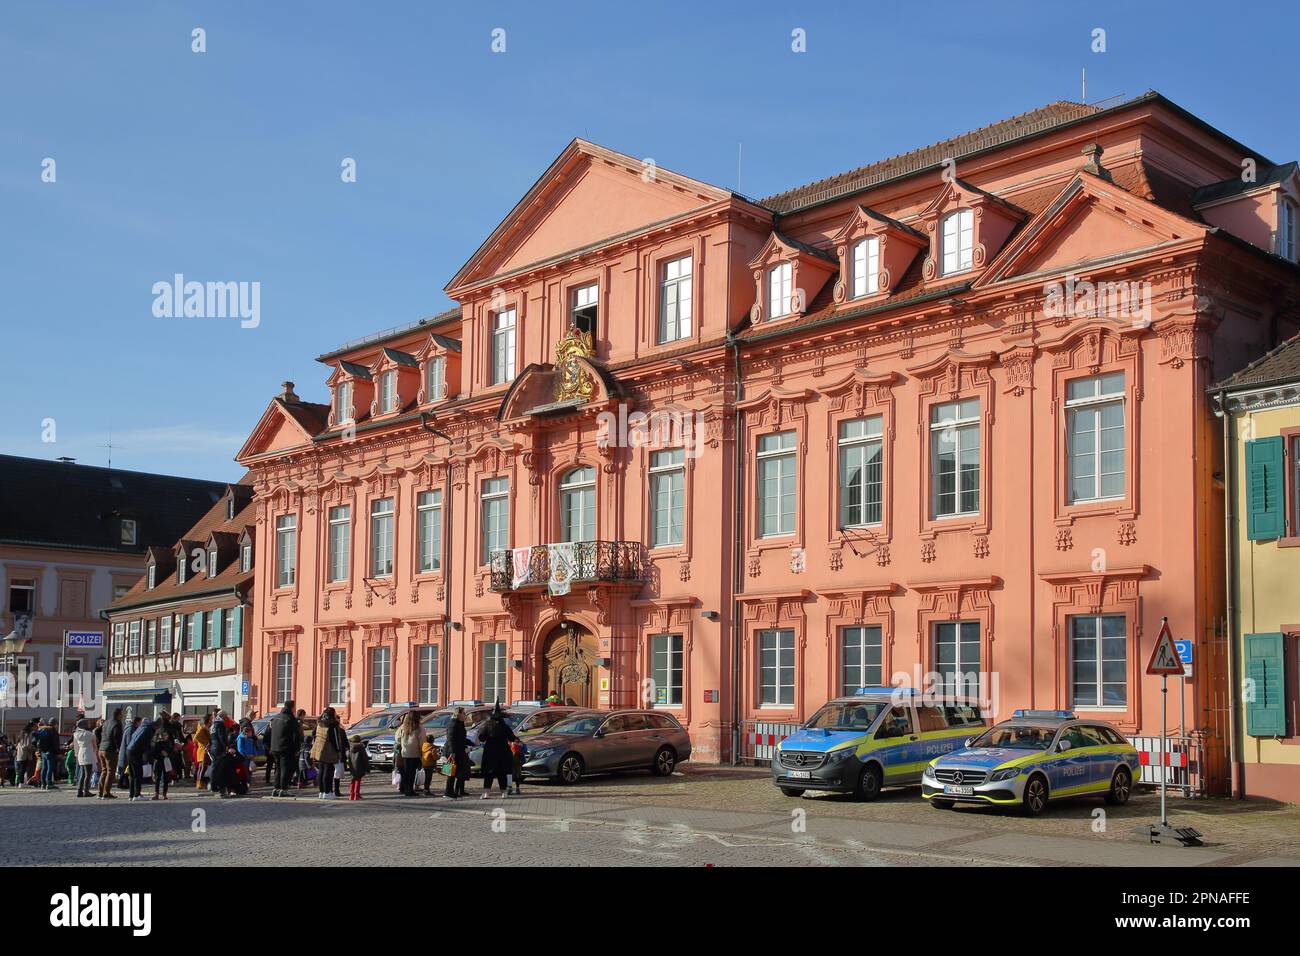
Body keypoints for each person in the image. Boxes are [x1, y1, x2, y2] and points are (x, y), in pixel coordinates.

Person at [476, 704, 518, 799]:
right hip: (503, 752)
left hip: (490, 752)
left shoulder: (487, 725)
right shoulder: (504, 725)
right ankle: (504, 793)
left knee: (489, 773)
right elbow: (512, 737)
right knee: (502, 773)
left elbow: (481, 738)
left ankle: (486, 793)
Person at [269, 699, 304, 797]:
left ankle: (276, 788)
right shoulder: (290, 719)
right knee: (285, 768)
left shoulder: (276, 717)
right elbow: (295, 736)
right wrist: (297, 749)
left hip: (275, 747)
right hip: (285, 748)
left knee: (278, 768)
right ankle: (283, 789)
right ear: (292, 707)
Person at [310, 707, 346, 800]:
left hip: (319, 749)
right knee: (328, 772)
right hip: (329, 751)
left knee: (321, 771)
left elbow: (313, 733)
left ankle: (321, 792)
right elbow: (335, 740)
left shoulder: (320, 723)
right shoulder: (332, 725)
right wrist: (338, 750)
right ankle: (328, 792)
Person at [124, 715, 157, 801]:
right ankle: (137, 795)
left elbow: (134, 737)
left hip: (129, 750)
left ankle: (131, 795)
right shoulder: (149, 730)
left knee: (132, 774)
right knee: (138, 774)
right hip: (135, 752)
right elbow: (147, 744)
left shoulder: (141, 728)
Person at [393, 710, 423, 797]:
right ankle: (410, 790)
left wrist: (403, 743)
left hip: (405, 753)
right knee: (412, 773)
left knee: (406, 772)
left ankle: (405, 789)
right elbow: (422, 741)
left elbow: (397, 738)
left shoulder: (403, 727)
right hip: (415, 753)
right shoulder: (419, 728)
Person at [443, 707, 470, 799]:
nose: (465, 715)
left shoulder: (460, 723)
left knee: (456, 771)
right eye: (464, 713)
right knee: (451, 771)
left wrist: (470, 742)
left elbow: (461, 737)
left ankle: (452, 791)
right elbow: (451, 738)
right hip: (452, 751)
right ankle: (448, 791)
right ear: (459, 714)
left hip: (458, 750)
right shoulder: (453, 723)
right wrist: (452, 752)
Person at [97, 708, 122, 799]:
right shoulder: (117, 723)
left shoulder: (106, 722)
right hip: (110, 750)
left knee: (104, 770)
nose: (122, 716)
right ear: (119, 714)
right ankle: (106, 792)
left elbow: (96, 731)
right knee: (111, 771)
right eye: (121, 714)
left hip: (101, 748)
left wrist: (101, 741)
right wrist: (118, 748)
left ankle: (100, 792)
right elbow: (117, 737)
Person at [33, 717, 60, 790]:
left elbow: (34, 741)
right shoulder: (53, 731)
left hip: (43, 752)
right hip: (51, 752)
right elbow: (55, 743)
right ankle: (49, 784)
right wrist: (57, 751)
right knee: (50, 768)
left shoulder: (43, 729)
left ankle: (43, 784)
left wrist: (39, 749)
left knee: (44, 768)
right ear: (55, 724)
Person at [72, 720, 97, 798]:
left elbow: (75, 746)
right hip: (88, 753)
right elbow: (94, 746)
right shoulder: (90, 734)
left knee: (82, 774)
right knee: (88, 774)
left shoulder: (76, 734)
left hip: (80, 752)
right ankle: (86, 791)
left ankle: (79, 791)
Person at [149, 728, 174, 800]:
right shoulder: (158, 743)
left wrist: (167, 754)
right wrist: (160, 754)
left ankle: (164, 794)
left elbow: (172, 753)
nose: (164, 736)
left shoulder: (169, 743)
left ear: (167, 736)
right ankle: (156, 794)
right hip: (159, 761)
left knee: (166, 778)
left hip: (166, 762)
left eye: (165, 735)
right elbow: (153, 753)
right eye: (162, 735)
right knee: (157, 778)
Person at [347, 735, 369, 800]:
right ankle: (356, 795)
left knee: (353, 780)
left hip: (352, 767)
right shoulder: (361, 748)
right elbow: (365, 759)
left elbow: (348, 756)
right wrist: (367, 768)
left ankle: (351, 795)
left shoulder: (350, 748)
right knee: (358, 781)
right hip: (360, 766)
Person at [193, 714, 211, 790]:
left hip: (201, 749)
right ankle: (200, 783)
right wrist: (206, 743)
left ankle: (199, 783)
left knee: (201, 767)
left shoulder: (201, 727)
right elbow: (195, 738)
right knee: (203, 767)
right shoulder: (202, 728)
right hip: (203, 750)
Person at [14, 721, 35, 788]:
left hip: (20, 752)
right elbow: (28, 744)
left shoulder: (22, 732)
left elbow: (19, 742)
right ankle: (21, 783)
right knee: (23, 768)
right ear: (31, 727)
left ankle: (20, 782)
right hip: (25, 753)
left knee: (21, 769)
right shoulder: (29, 733)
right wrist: (34, 748)